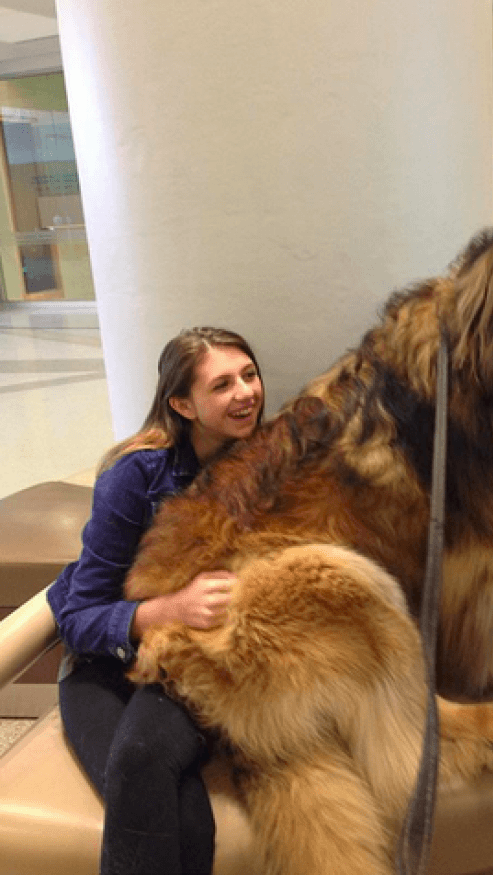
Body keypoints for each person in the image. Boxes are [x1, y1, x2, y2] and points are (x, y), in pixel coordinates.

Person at [47, 327, 265, 875]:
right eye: (223, 384)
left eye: (249, 374)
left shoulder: (272, 469)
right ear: (182, 404)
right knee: (181, 814)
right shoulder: (135, 476)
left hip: (184, 666)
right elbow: (78, 615)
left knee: (145, 764)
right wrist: (167, 609)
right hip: (103, 664)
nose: (245, 392)